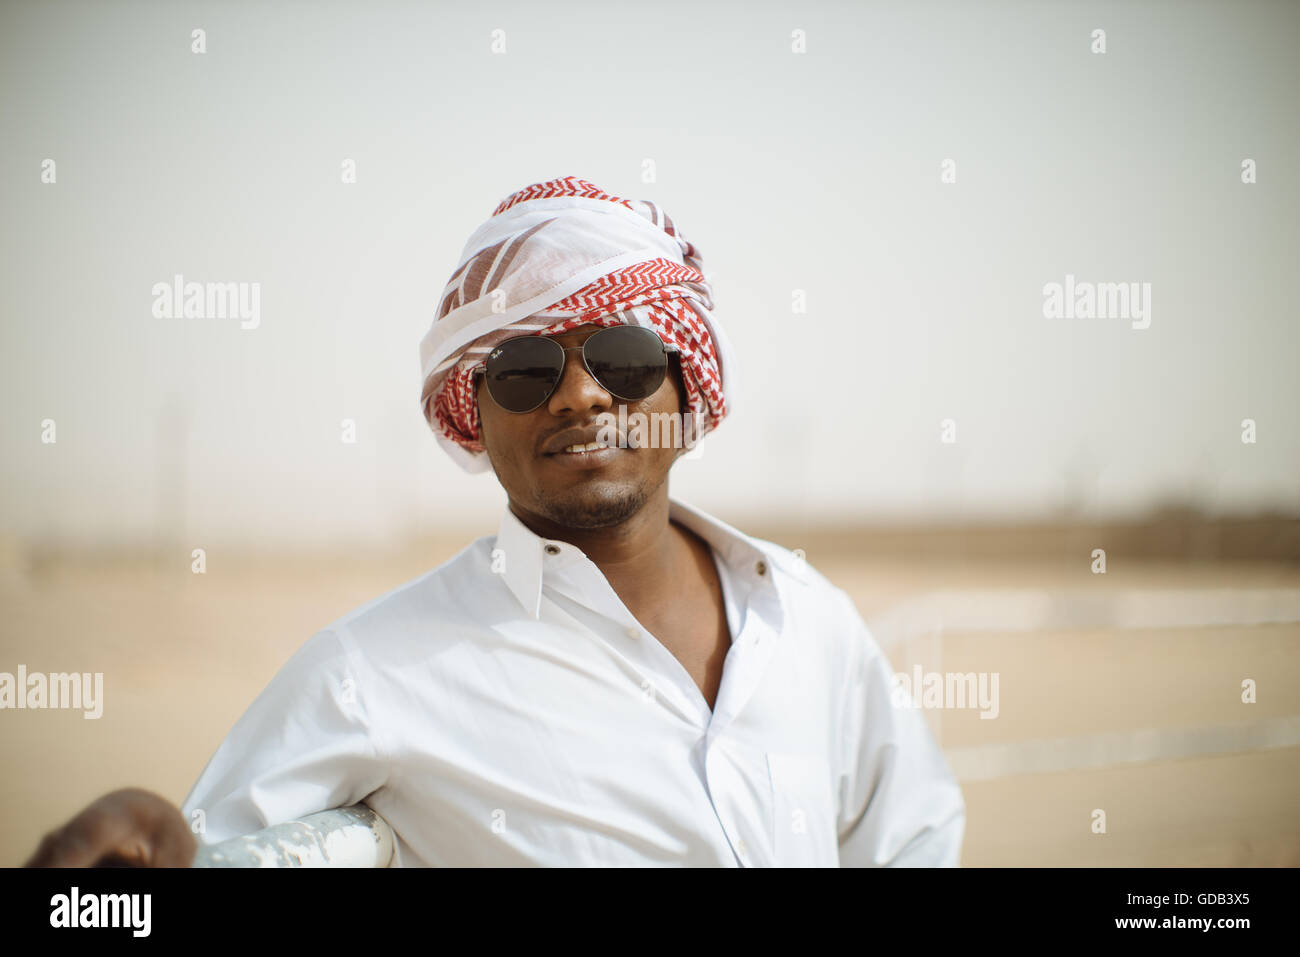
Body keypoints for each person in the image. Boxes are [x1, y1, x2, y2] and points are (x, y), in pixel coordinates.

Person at [26, 175, 965, 868]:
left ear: (687, 384)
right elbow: (191, 853)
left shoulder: (808, 623)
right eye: (524, 370)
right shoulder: (375, 674)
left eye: (626, 355)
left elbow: (914, 836)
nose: (581, 394)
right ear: (478, 413)